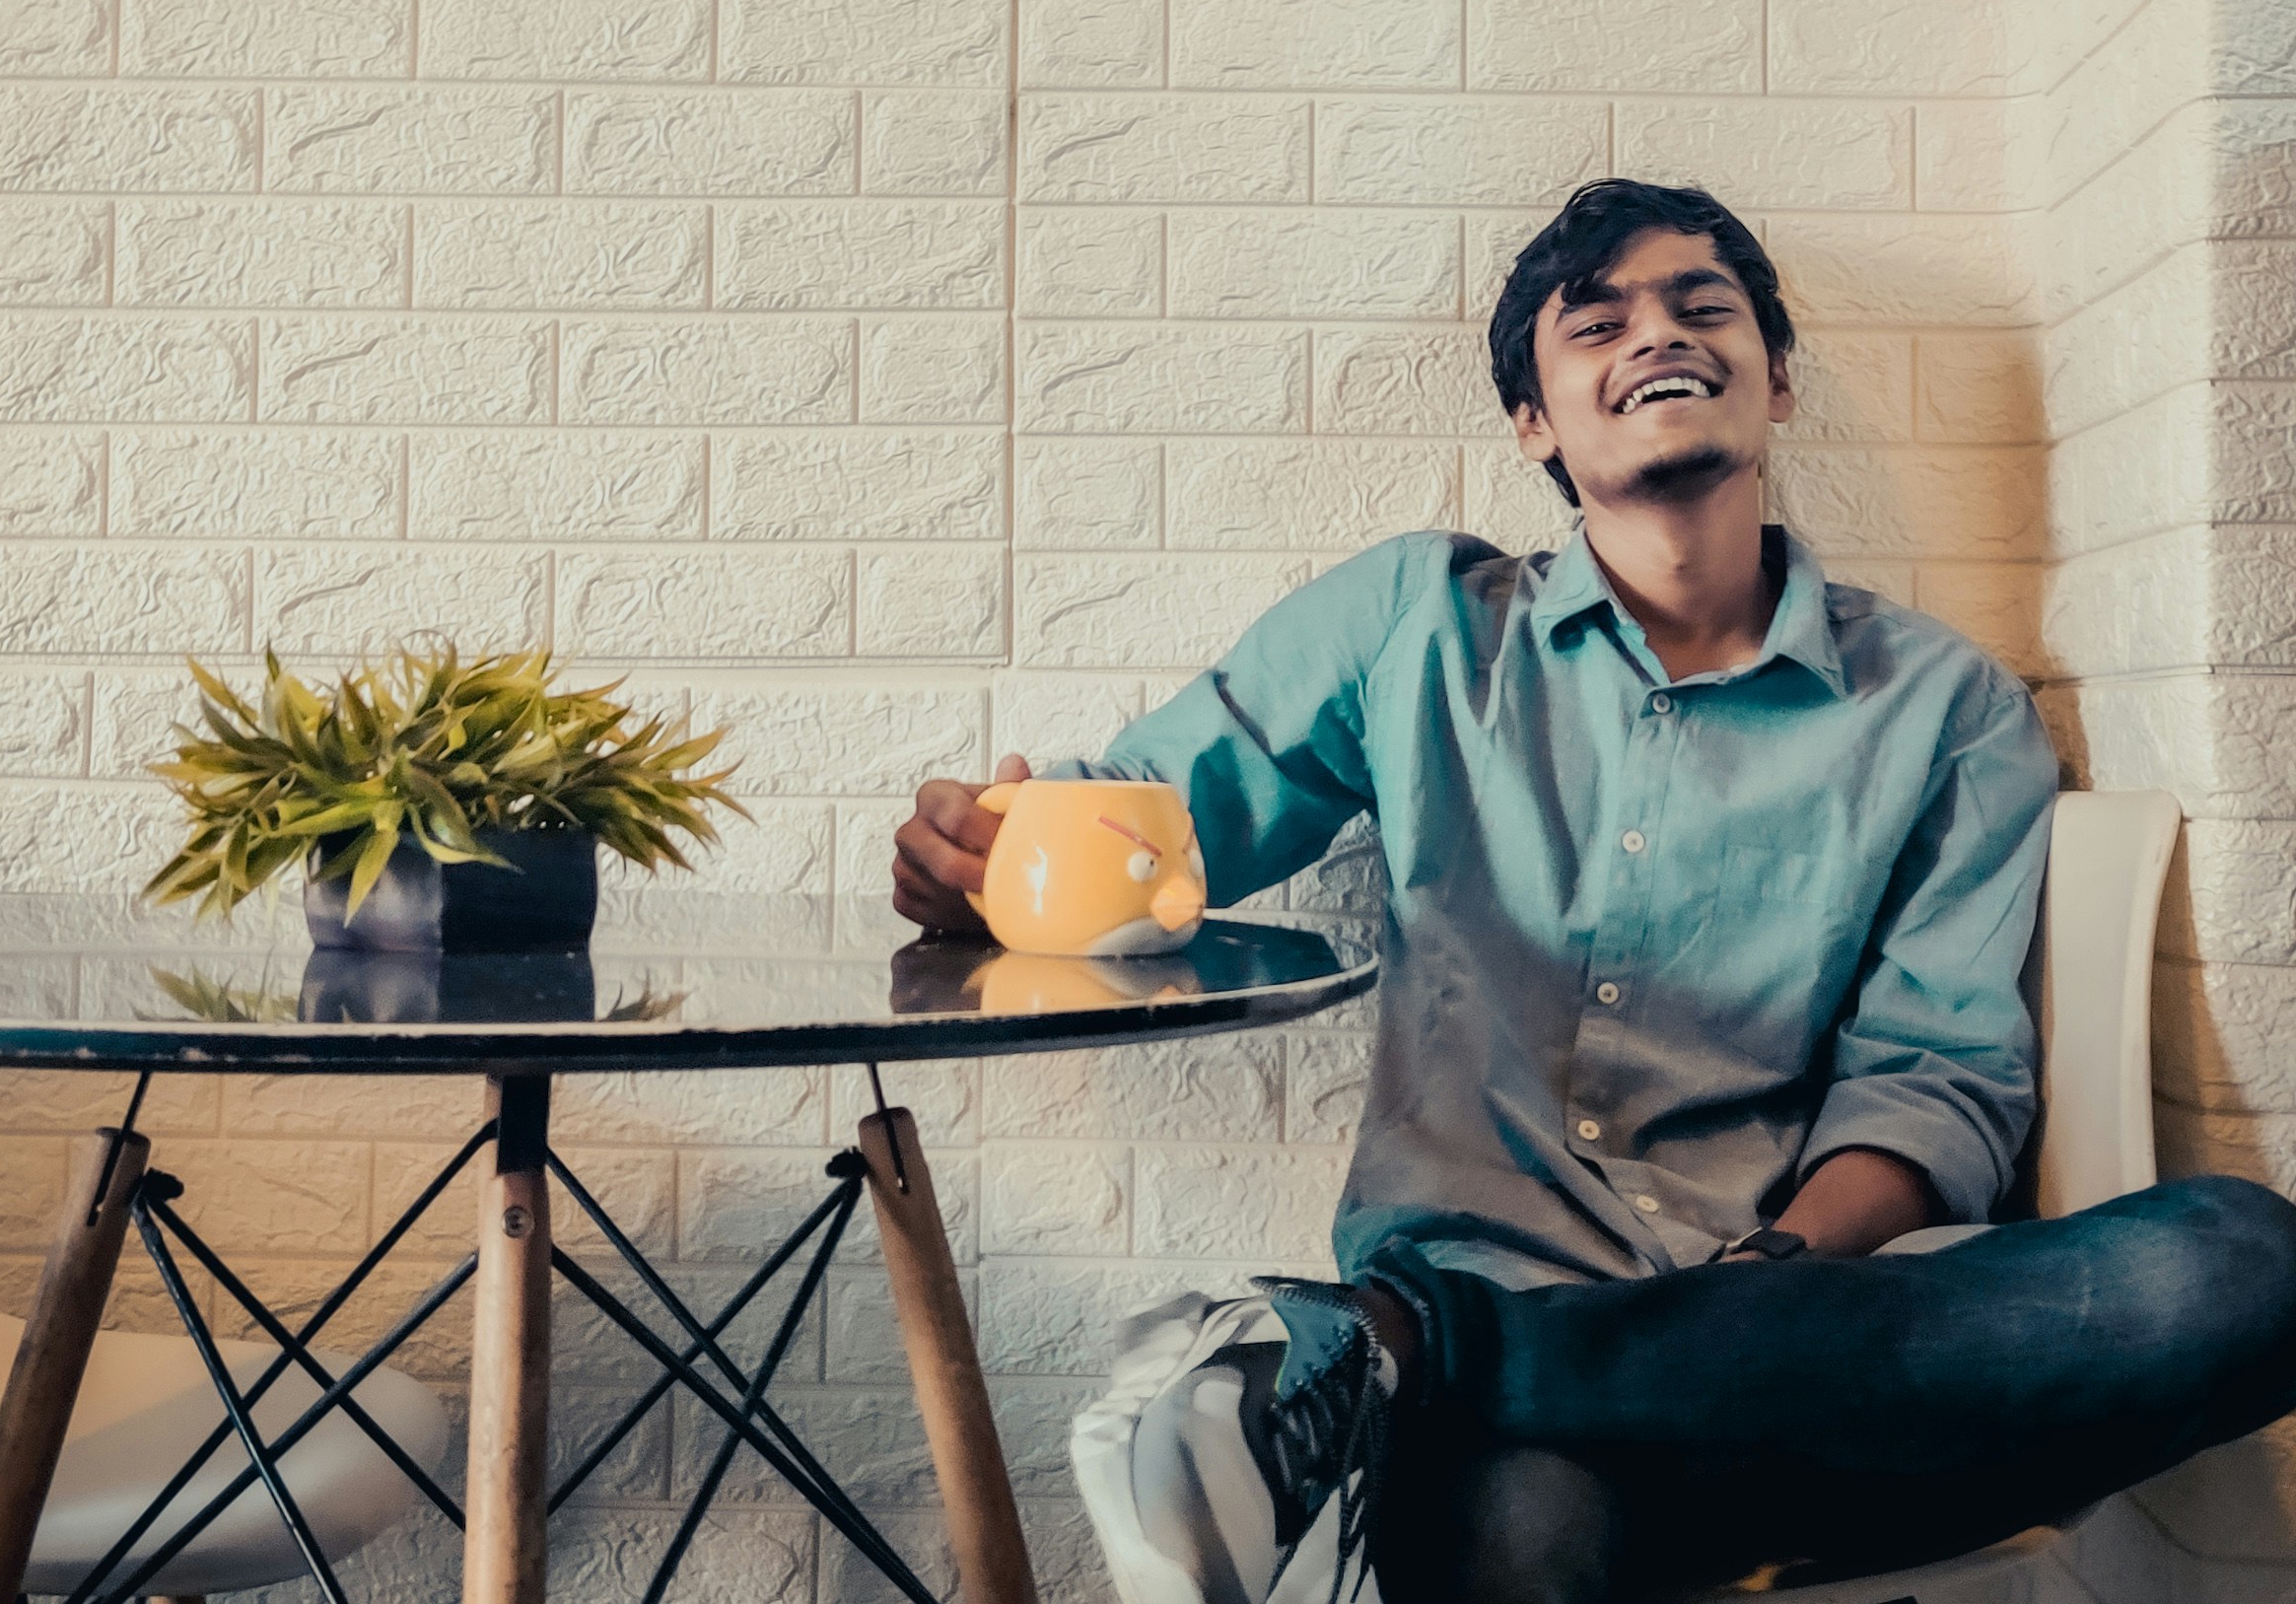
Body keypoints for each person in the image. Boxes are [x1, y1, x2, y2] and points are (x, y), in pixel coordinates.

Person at [893, 179, 2296, 1604]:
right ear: (1535, 424)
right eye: (1598, 320)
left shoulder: (1947, 710)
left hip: (1813, 1322)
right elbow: (1155, 821)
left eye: (1704, 306)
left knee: (2246, 1267)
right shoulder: (1418, 626)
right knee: (1526, 1535)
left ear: (1777, 381)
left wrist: (1764, 1284)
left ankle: (1391, 1356)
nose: (1659, 333)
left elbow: (1935, 1085)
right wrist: (987, 860)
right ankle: (1467, 1365)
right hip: (1533, 1337)